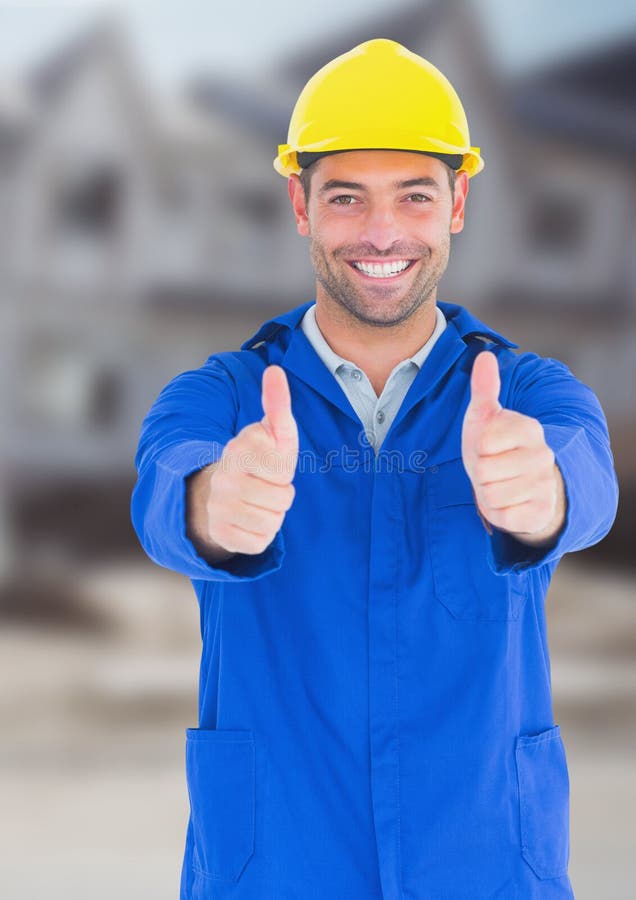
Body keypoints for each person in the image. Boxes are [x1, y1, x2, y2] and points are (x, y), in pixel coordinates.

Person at [131, 39, 619, 900]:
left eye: (414, 196)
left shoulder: (527, 392)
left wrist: (543, 495)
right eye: (347, 198)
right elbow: (169, 484)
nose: (382, 232)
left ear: (458, 202)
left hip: (485, 862)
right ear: (300, 203)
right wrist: (214, 506)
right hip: (275, 864)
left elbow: (583, 476)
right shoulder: (222, 394)